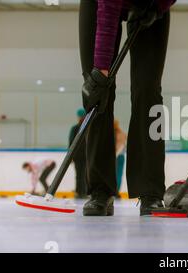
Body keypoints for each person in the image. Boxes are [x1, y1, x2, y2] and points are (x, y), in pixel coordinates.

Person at [79, 0, 175, 216]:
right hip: (100, 4)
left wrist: (157, 7)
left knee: (148, 90)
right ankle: (100, 191)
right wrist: (101, 71)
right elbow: (107, 6)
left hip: (152, 2)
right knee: (96, 90)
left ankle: (150, 190)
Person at [69, 108, 88, 198]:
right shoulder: (75, 128)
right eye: (81, 117)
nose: (82, 118)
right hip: (77, 155)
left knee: (84, 174)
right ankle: (79, 192)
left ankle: (83, 192)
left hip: (85, 155)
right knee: (79, 174)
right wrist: (70, 156)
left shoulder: (88, 127)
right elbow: (71, 142)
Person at [114, 119, 127, 197]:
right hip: (121, 156)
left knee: (114, 175)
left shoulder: (112, 134)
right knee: (119, 174)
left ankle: (114, 191)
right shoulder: (123, 134)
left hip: (114, 156)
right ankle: (116, 191)